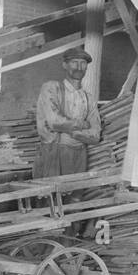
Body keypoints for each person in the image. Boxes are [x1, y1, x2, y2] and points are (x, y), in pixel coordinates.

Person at [34, 47, 101, 178]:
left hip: (80, 155)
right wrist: (83, 125)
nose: (79, 67)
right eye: (74, 62)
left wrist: (71, 132)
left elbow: (95, 135)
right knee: (52, 189)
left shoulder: (89, 98)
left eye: (83, 63)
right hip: (54, 153)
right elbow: (54, 122)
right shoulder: (52, 88)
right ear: (64, 65)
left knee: (76, 190)